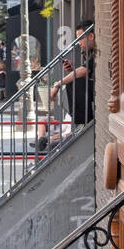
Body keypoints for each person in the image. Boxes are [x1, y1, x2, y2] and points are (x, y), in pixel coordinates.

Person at [38, 22, 95, 152]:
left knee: (71, 82)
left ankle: (83, 122)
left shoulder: (97, 52)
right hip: (92, 97)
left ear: (90, 36)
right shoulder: (88, 52)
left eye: (81, 38)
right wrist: (73, 70)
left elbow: (84, 71)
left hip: (98, 99)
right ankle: (81, 122)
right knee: (72, 81)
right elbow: (81, 72)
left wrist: (58, 84)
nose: (79, 43)